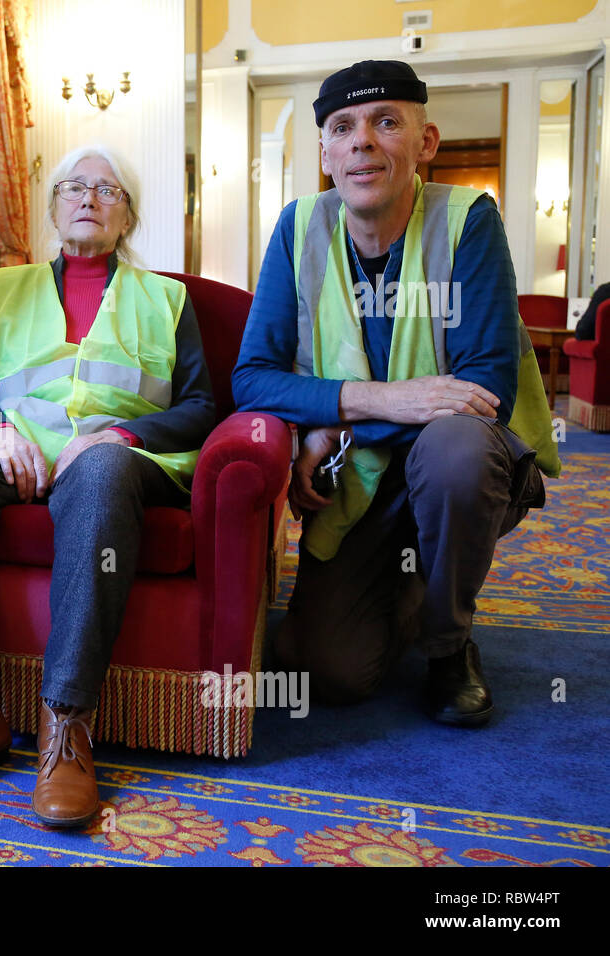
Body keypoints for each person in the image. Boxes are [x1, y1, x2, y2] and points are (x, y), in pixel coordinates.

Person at [0, 145, 216, 826]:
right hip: (17, 456)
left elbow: (202, 404)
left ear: (128, 219)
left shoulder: (168, 298)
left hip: (116, 465)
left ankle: (65, 725)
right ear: (53, 207)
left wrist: (120, 436)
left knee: (101, 469)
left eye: (108, 191)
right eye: (74, 187)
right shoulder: (5, 288)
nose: (89, 198)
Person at [232, 60, 559, 728]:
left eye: (387, 122)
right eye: (343, 128)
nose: (363, 141)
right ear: (325, 152)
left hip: (454, 468)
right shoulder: (297, 228)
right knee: (330, 672)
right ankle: (418, 581)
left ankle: (449, 645)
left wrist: (331, 414)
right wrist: (370, 407)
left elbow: (485, 388)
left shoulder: (468, 220)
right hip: (360, 483)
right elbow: (252, 378)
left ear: (425, 142)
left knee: (455, 451)